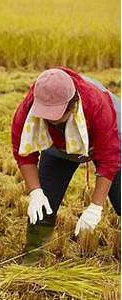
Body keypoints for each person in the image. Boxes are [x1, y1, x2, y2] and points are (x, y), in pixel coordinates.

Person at [11, 67, 121, 265]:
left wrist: (95, 206)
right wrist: (35, 192)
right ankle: (33, 257)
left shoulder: (97, 104)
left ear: (72, 105)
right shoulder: (30, 107)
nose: (49, 118)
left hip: (111, 138)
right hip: (58, 147)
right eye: (45, 113)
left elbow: (110, 158)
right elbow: (23, 151)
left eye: (55, 114)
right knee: (45, 204)